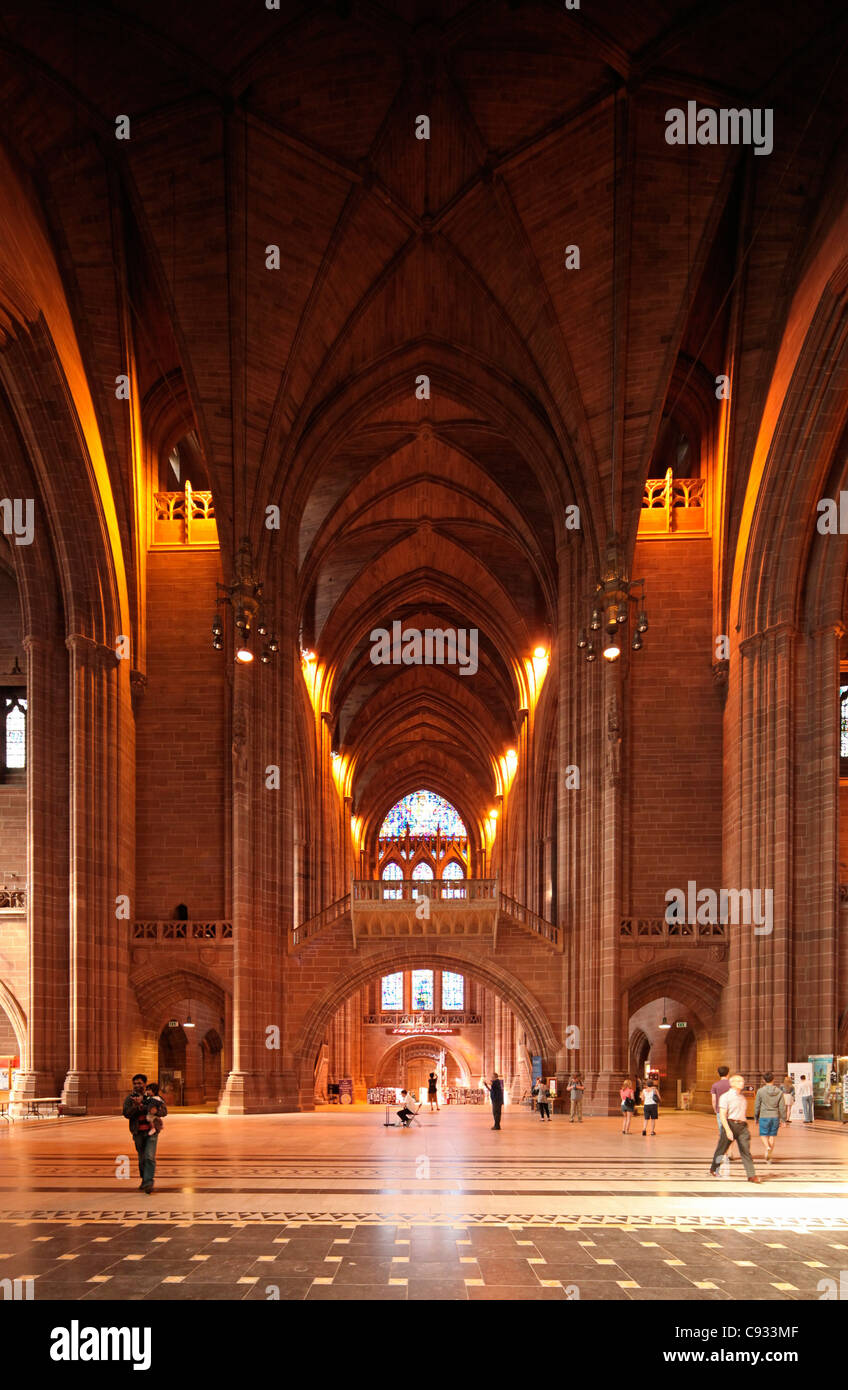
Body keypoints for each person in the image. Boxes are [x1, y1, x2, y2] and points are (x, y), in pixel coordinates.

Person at [709, 1073, 760, 1182]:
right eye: (738, 1081)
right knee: (721, 1149)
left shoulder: (742, 1098)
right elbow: (722, 1115)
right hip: (730, 1124)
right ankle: (714, 1168)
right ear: (732, 1083)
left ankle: (751, 1175)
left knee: (746, 1150)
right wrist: (727, 1130)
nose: (742, 1083)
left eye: (742, 1081)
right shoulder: (725, 1097)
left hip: (742, 1127)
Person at [121, 1073, 167, 1195]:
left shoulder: (152, 1096)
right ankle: (144, 1178)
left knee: (149, 1156)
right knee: (142, 1159)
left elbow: (164, 1111)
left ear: (145, 1084)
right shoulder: (130, 1098)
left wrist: (155, 1110)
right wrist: (136, 1107)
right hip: (138, 1132)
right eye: (135, 1083)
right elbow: (126, 1114)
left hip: (152, 1131)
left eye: (140, 1083)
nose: (137, 1086)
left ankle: (148, 1182)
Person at [754, 1071, 786, 1162]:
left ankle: (767, 1147)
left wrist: (756, 1117)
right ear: (773, 1079)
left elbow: (757, 1105)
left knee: (763, 1134)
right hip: (775, 1116)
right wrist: (783, 1119)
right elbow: (782, 1107)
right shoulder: (779, 1092)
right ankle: (769, 1153)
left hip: (764, 1116)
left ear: (764, 1080)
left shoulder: (760, 1091)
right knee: (772, 1135)